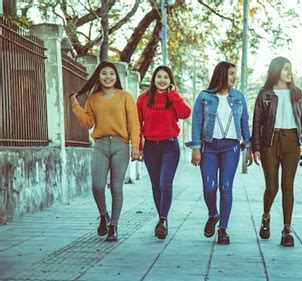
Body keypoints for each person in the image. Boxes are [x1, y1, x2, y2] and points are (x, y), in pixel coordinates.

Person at [70, 61, 140, 242]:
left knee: (116, 188)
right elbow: (88, 123)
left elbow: (134, 123)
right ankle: (103, 215)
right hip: (100, 144)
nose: (108, 77)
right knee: (97, 186)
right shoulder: (93, 99)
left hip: (120, 145)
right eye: (104, 74)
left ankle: (114, 226)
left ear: (116, 77)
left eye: (111, 73)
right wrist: (76, 106)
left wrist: (135, 146)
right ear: (98, 77)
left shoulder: (125, 96)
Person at [251, 56, 302, 247]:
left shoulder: (298, 94)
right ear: (276, 70)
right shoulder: (265, 94)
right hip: (270, 142)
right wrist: (255, 147)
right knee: (272, 187)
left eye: (290, 69)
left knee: (288, 185)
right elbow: (257, 122)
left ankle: (287, 230)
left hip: (292, 143)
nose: (289, 72)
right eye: (285, 68)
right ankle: (266, 216)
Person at [186, 61, 252, 245]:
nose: (234, 77)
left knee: (225, 186)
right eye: (231, 73)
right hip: (209, 147)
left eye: (234, 74)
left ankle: (223, 228)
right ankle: (213, 214)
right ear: (222, 74)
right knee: (209, 187)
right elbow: (197, 122)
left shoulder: (238, 97)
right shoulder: (204, 97)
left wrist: (248, 146)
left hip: (231, 147)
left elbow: (245, 121)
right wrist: (196, 149)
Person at [136, 65, 191, 240]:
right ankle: (162, 221)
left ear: (170, 81)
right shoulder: (143, 98)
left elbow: (185, 113)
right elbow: (137, 124)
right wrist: (137, 147)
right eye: (159, 76)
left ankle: (162, 219)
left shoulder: (173, 97)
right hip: (151, 147)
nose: (162, 80)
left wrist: (173, 95)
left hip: (170, 146)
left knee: (165, 183)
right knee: (155, 185)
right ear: (153, 79)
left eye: (166, 77)